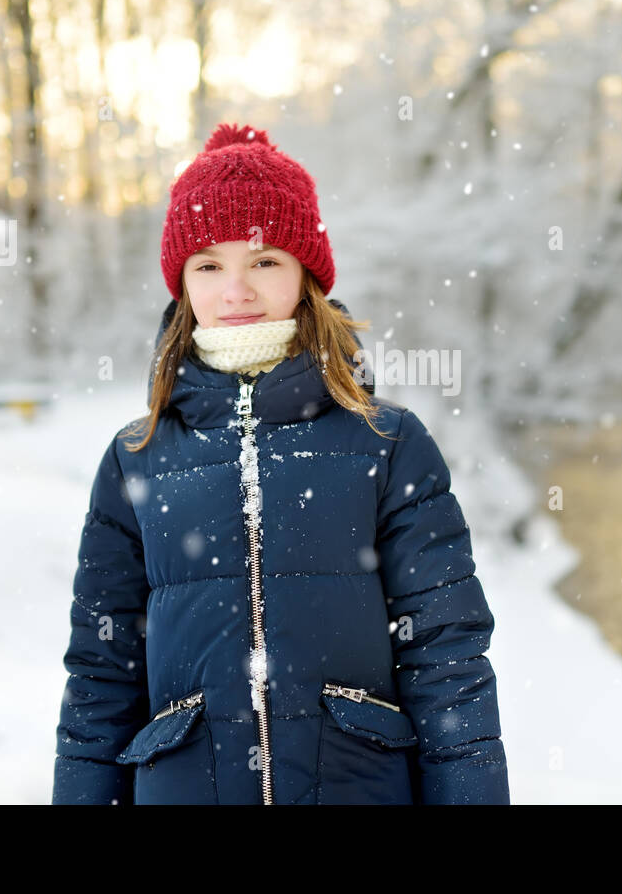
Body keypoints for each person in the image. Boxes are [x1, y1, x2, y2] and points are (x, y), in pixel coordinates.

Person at [50, 122, 510, 804]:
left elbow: (446, 652)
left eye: (263, 261)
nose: (235, 290)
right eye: (209, 265)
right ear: (181, 283)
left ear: (305, 275)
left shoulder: (386, 445)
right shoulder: (135, 460)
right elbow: (100, 672)